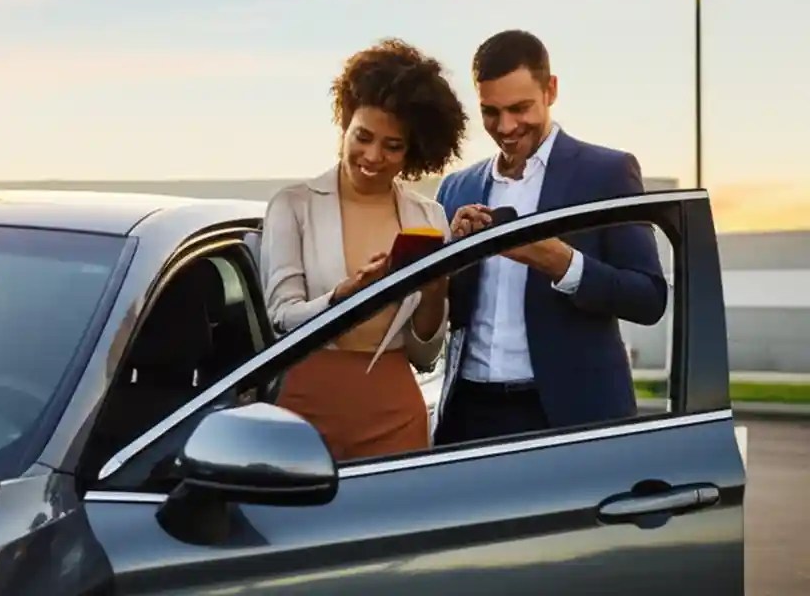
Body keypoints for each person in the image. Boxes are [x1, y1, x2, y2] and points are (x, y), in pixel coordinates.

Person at [433, 29, 668, 446]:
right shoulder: (456, 188)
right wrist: (451, 256)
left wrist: (563, 264)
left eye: (519, 108)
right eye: (491, 112)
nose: (505, 126)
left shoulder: (606, 173)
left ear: (551, 90)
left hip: (567, 418)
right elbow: (439, 313)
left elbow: (649, 297)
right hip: (467, 415)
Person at [261, 38, 469, 460]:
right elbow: (280, 318)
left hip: (395, 414)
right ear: (344, 124)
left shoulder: (429, 216)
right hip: (301, 412)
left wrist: (435, 292)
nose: (373, 156)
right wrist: (345, 295)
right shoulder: (294, 205)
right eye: (363, 136)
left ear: (413, 151)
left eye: (393, 146)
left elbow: (425, 356)